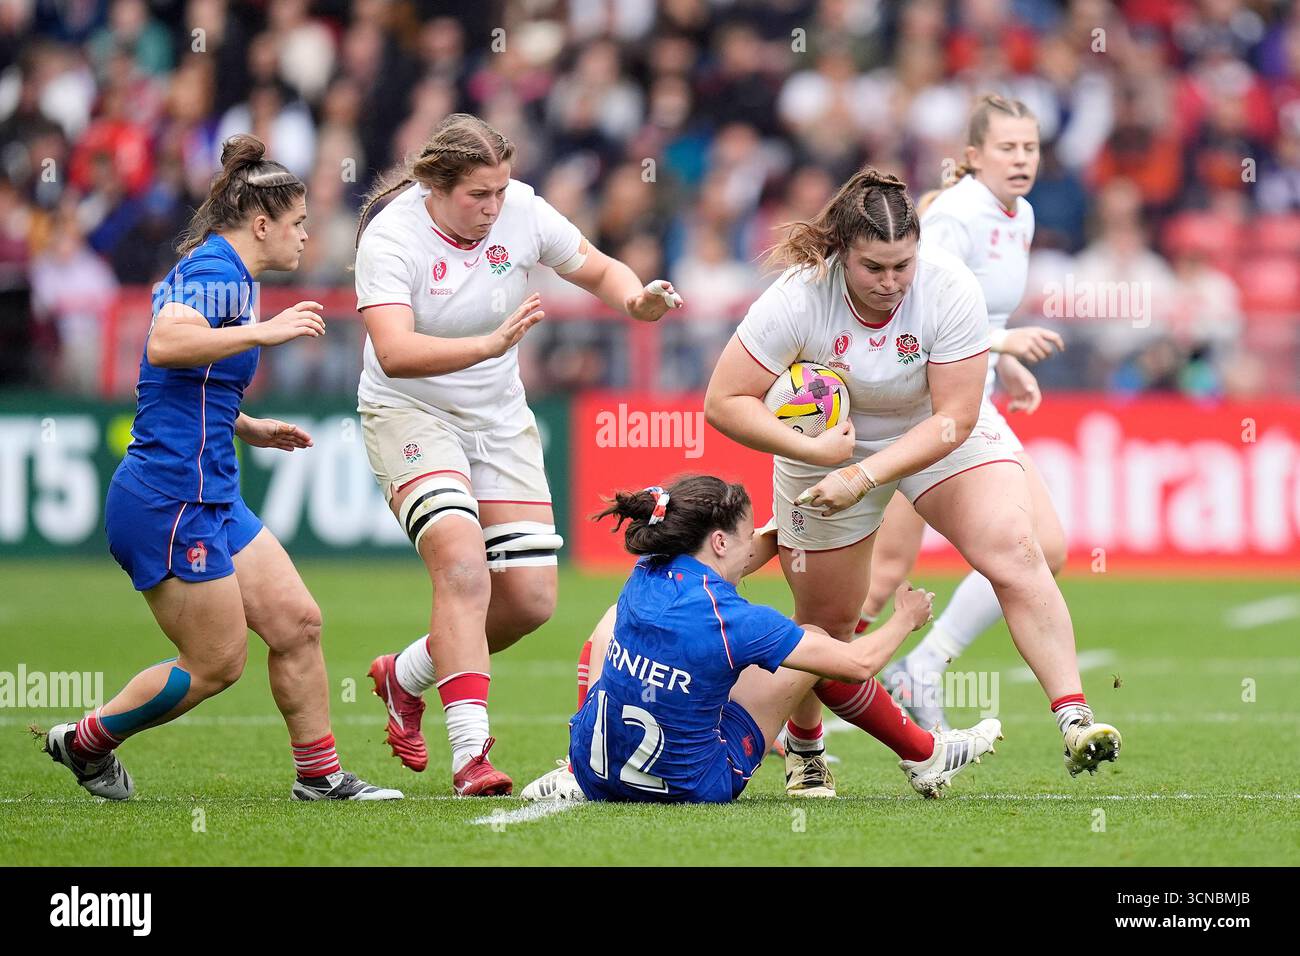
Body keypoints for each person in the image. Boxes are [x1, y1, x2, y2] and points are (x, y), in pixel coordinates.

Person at [704, 163, 1120, 798]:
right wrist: (815, 452)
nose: (892, 282)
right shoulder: (796, 297)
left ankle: (1074, 716)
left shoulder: (949, 287)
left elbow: (955, 417)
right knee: (827, 621)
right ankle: (806, 747)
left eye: (903, 264)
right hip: (821, 446)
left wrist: (866, 473)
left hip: (933, 431)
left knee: (1017, 545)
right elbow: (726, 400)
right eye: (874, 267)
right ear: (842, 252)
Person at [40, 134, 401, 802]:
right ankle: (87, 742)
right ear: (260, 224)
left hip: (210, 492)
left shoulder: (228, 272)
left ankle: (320, 777)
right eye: (297, 223)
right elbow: (166, 342)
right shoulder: (219, 274)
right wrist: (264, 332)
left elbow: (179, 379)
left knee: (297, 622)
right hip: (169, 497)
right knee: (216, 663)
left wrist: (246, 425)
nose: (304, 235)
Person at [353, 113, 683, 795]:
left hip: (497, 418)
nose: (494, 206)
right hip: (410, 410)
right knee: (464, 564)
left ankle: (405, 674)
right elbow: (394, 350)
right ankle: (472, 754)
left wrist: (635, 298)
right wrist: (486, 346)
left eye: (500, 190)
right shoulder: (391, 236)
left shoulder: (523, 210)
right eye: (478, 194)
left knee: (530, 601)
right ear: (433, 187)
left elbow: (594, 265)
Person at [520, 475, 1001, 803]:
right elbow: (857, 664)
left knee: (610, 621)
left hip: (597, 773)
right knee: (812, 639)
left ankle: (572, 769)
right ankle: (927, 756)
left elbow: (740, 557)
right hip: (696, 784)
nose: (755, 542)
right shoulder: (738, 620)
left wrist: (795, 517)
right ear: (720, 542)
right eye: (747, 533)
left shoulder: (646, 569)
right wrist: (905, 619)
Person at [862, 94, 1071, 732]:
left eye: (1030, 147)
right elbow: (922, 304)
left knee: (1049, 549)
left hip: (973, 407)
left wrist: (1004, 360)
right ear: (974, 156)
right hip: (920, 409)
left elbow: (989, 311)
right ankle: (773, 714)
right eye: (1007, 148)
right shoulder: (954, 214)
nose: (1022, 159)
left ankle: (924, 665)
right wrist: (1002, 345)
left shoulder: (1023, 215)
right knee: (875, 585)